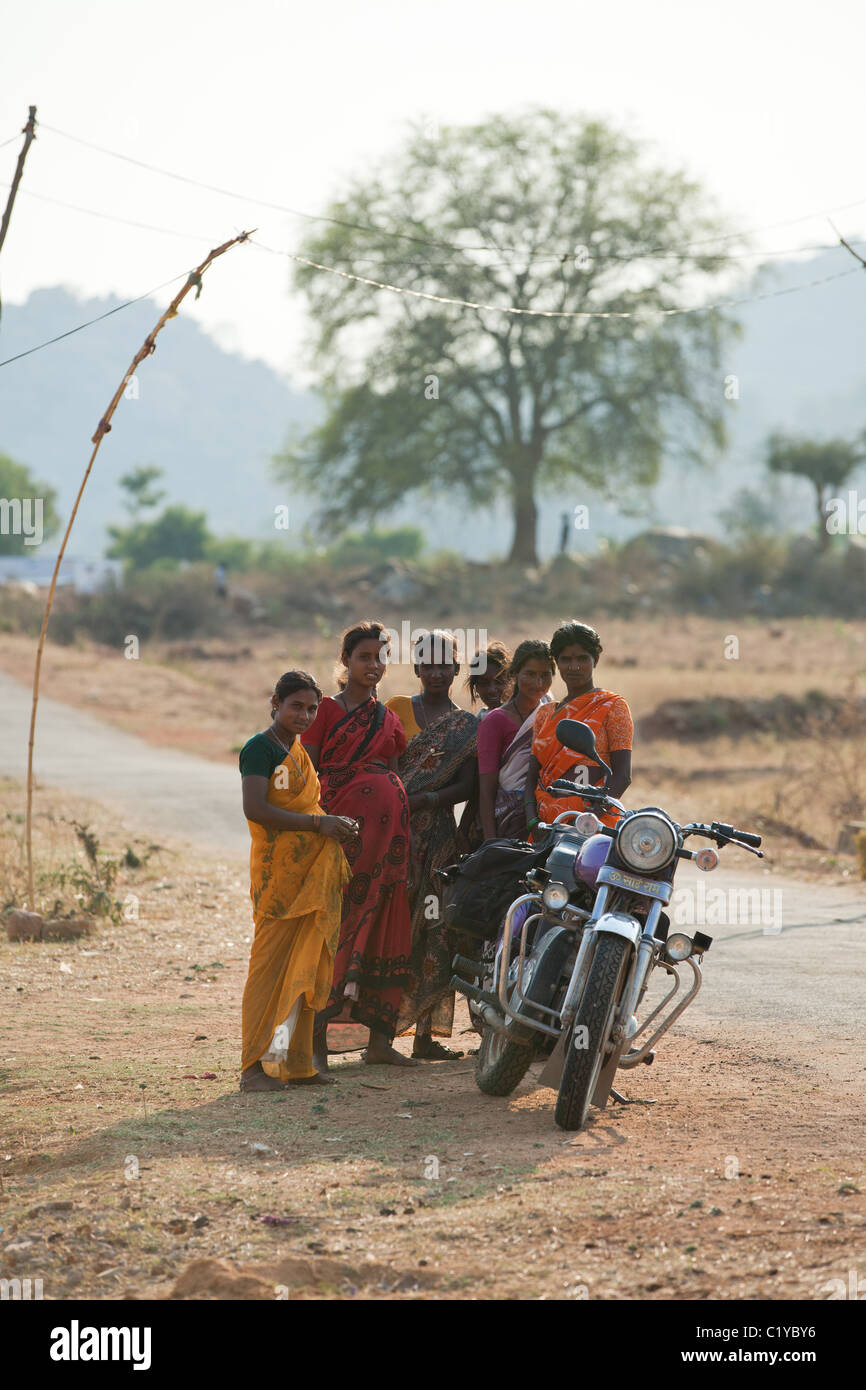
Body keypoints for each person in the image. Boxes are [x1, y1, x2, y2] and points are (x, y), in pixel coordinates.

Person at [302, 620, 417, 1069]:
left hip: (388, 847)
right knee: (335, 929)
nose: (373, 665)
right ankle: (315, 1046)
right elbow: (309, 772)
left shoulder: (388, 718)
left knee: (386, 927)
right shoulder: (325, 710)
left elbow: (392, 771)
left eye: (380, 657)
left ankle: (380, 1043)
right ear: (345, 661)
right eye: (364, 657)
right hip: (340, 840)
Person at [238, 670, 356, 1092]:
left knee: (303, 966)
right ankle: (253, 1068)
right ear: (275, 703)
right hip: (276, 879)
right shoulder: (259, 749)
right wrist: (318, 824)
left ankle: (293, 1064)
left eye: (311, 709)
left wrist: (333, 826)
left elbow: (309, 804)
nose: (304, 715)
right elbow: (257, 809)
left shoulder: (298, 750)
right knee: (269, 970)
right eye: (296, 706)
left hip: (307, 877)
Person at [387, 631, 479, 1059]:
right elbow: (382, 767)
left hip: (439, 836)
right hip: (395, 835)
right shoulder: (396, 710)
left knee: (436, 929)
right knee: (394, 927)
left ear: (457, 669)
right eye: (429, 664)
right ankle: (380, 1034)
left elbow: (467, 785)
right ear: (418, 668)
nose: (438, 672)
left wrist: (426, 799)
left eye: (446, 665)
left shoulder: (466, 724)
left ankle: (425, 1038)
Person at [524, 620, 632, 836]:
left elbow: (622, 775)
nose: (574, 666)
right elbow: (532, 777)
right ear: (557, 663)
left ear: (596, 660)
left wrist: (591, 817)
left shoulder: (612, 706)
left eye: (582, 658)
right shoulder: (545, 714)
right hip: (545, 827)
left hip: (594, 826)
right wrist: (532, 822)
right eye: (566, 659)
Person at [477, 639, 555, 841]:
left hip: (547, 818)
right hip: (508, 822)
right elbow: (486, 790)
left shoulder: (553, 715)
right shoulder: (494, 721)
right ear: (514, 674)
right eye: (530, 674)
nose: (538, 683)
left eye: (545, 675)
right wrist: (491, 843)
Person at [465, 640, 511, 717]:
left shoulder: (526, 719)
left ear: (511, 681)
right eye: (484, 683)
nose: (491, 690)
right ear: (476, 687)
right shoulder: (477, 722)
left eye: (499, 681)